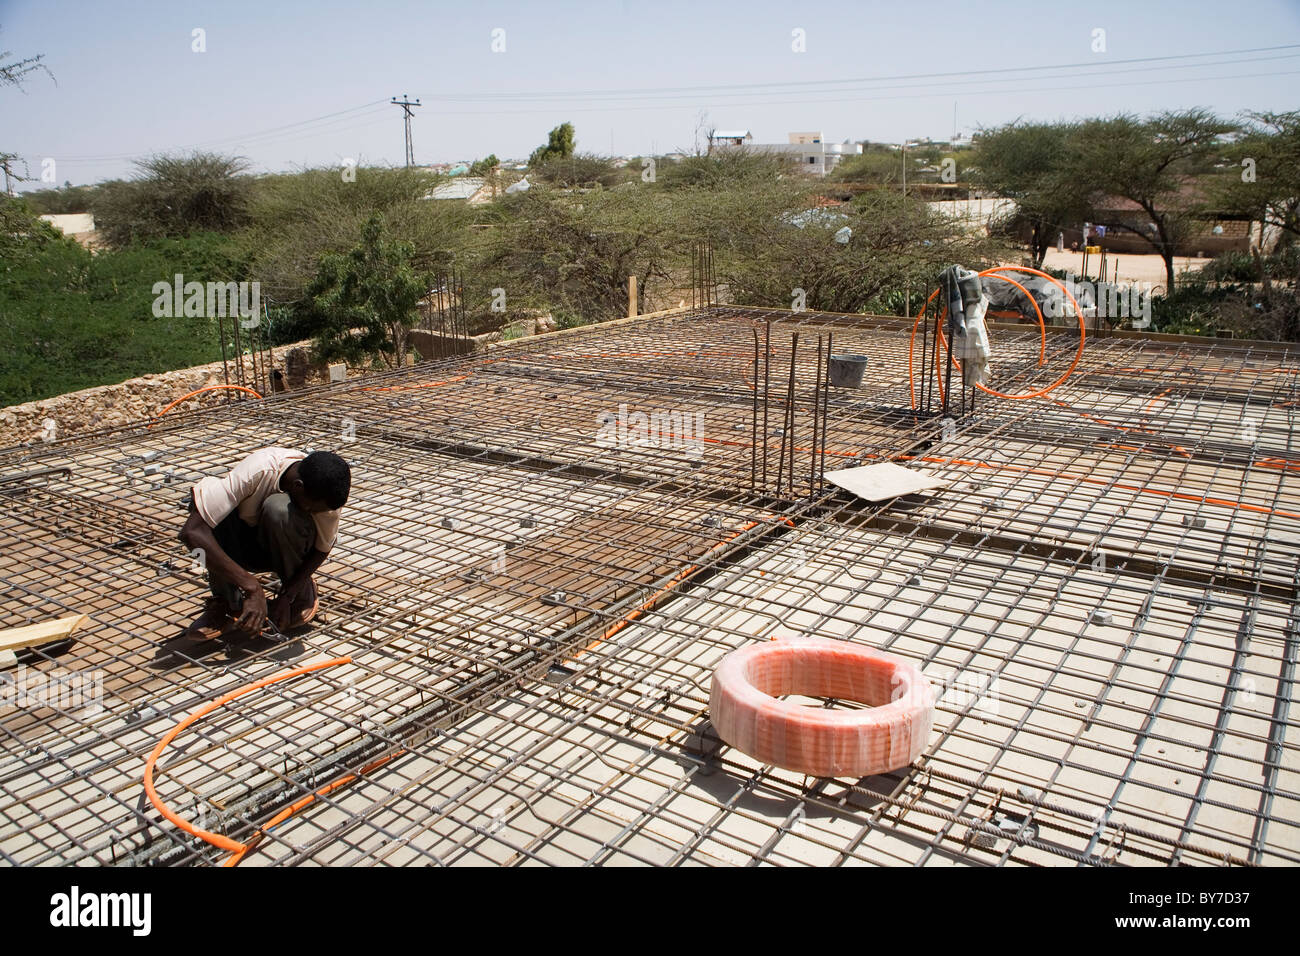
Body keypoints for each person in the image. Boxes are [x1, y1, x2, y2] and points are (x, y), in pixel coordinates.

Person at [179, 448, 350, 638]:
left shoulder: (327, 493)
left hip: (288, 548)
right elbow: (191, 532)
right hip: (246, 545)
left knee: (278, 510)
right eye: (310, 507)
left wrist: (288, 595)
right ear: (298, 485)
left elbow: (322, 547)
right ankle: (227, 602)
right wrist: (251, 587)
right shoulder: (259, 470)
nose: (314, 512)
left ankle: (300, 593)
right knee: (206, 502)